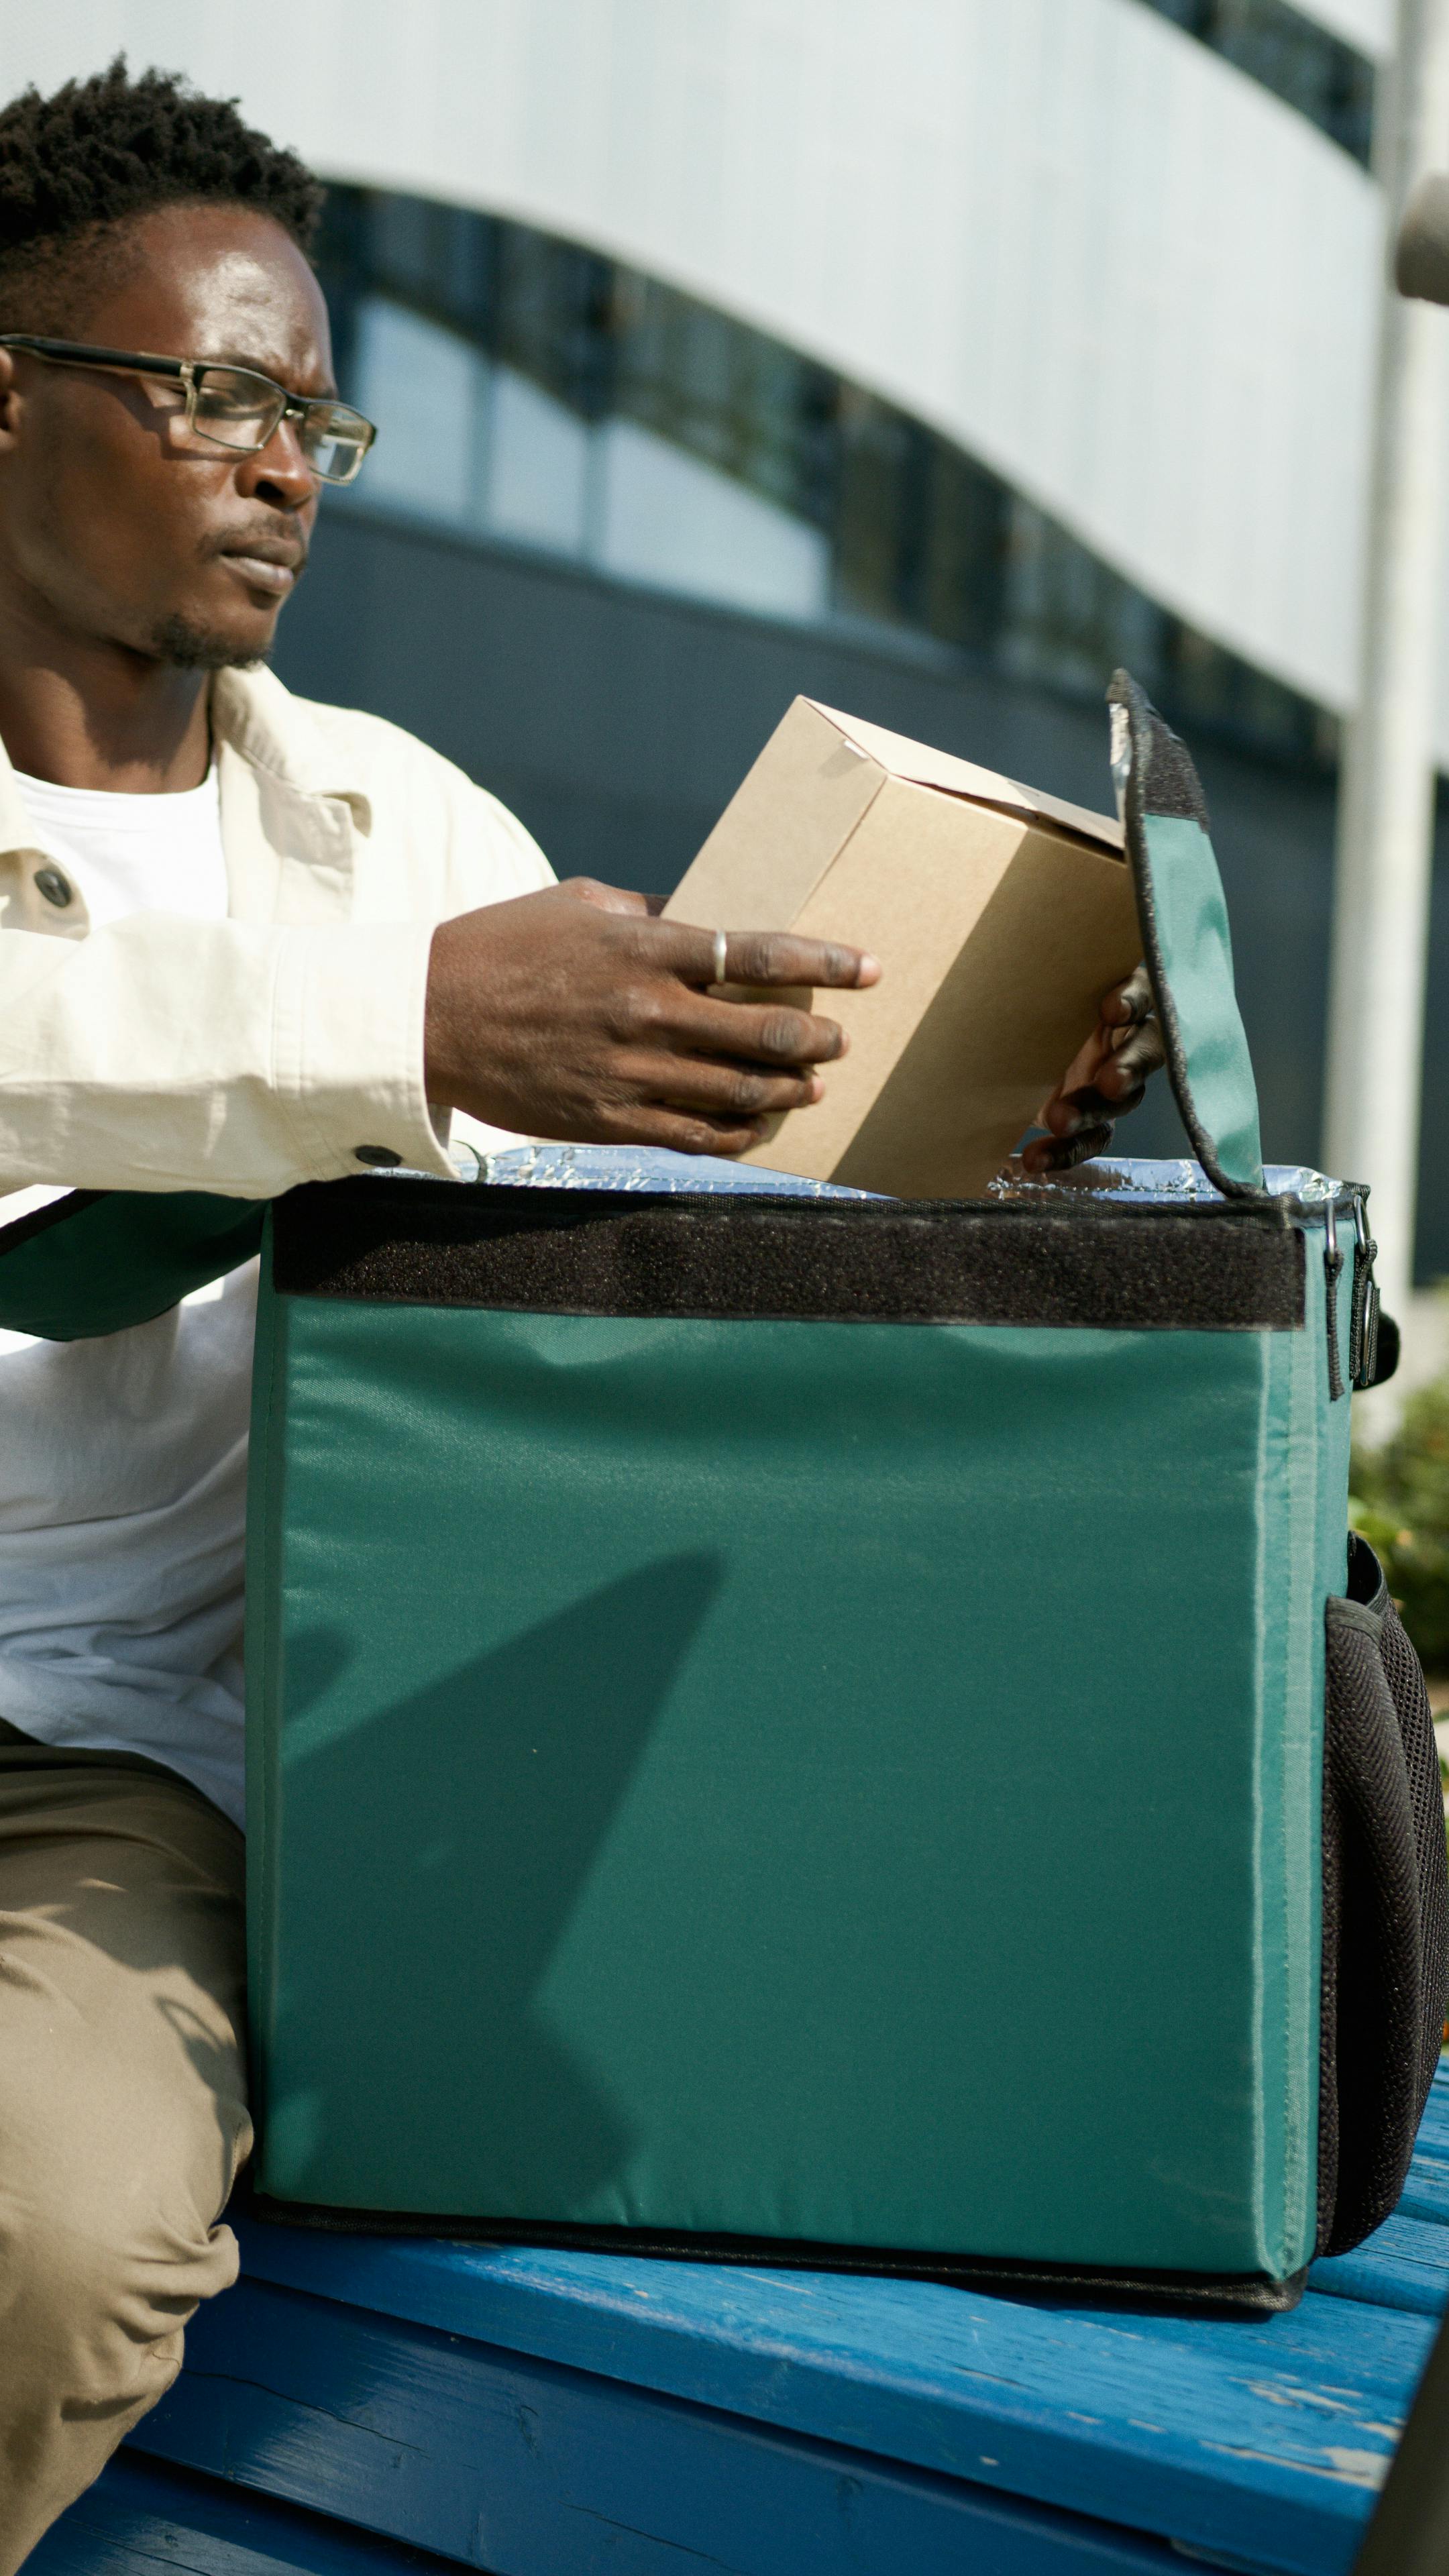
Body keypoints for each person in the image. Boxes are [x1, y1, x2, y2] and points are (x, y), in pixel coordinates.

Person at [0, 59, 1161, 2563]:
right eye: (215, 394)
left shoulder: (408, 833)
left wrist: (984, 1104)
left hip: (112, 1779)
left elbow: (632, 1224)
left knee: (49, 2240)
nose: (284, 465)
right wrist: (398, 1029)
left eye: (320, 419)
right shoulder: (408, 941)